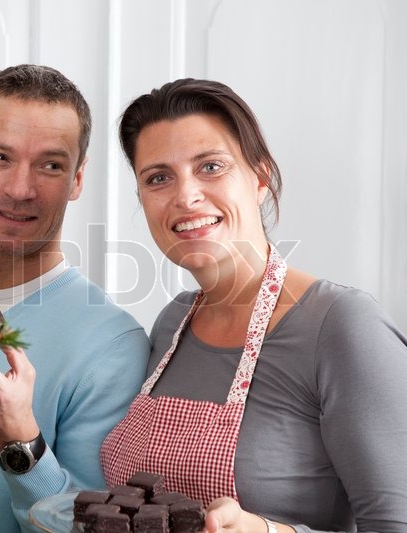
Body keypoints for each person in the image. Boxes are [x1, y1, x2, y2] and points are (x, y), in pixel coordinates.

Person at [100, 78, 407, 532]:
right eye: (158, 177)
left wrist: (270, 531)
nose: (185, 196)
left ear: (259, 179)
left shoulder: (341, 325)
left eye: (210, 167)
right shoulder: (171, 326)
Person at [0, 64, 151, 532]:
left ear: (78, 179)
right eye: (0, 157)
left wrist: (17, 439)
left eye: (50, 165)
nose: (20, 189)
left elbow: (86, 527)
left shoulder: (112, 346)